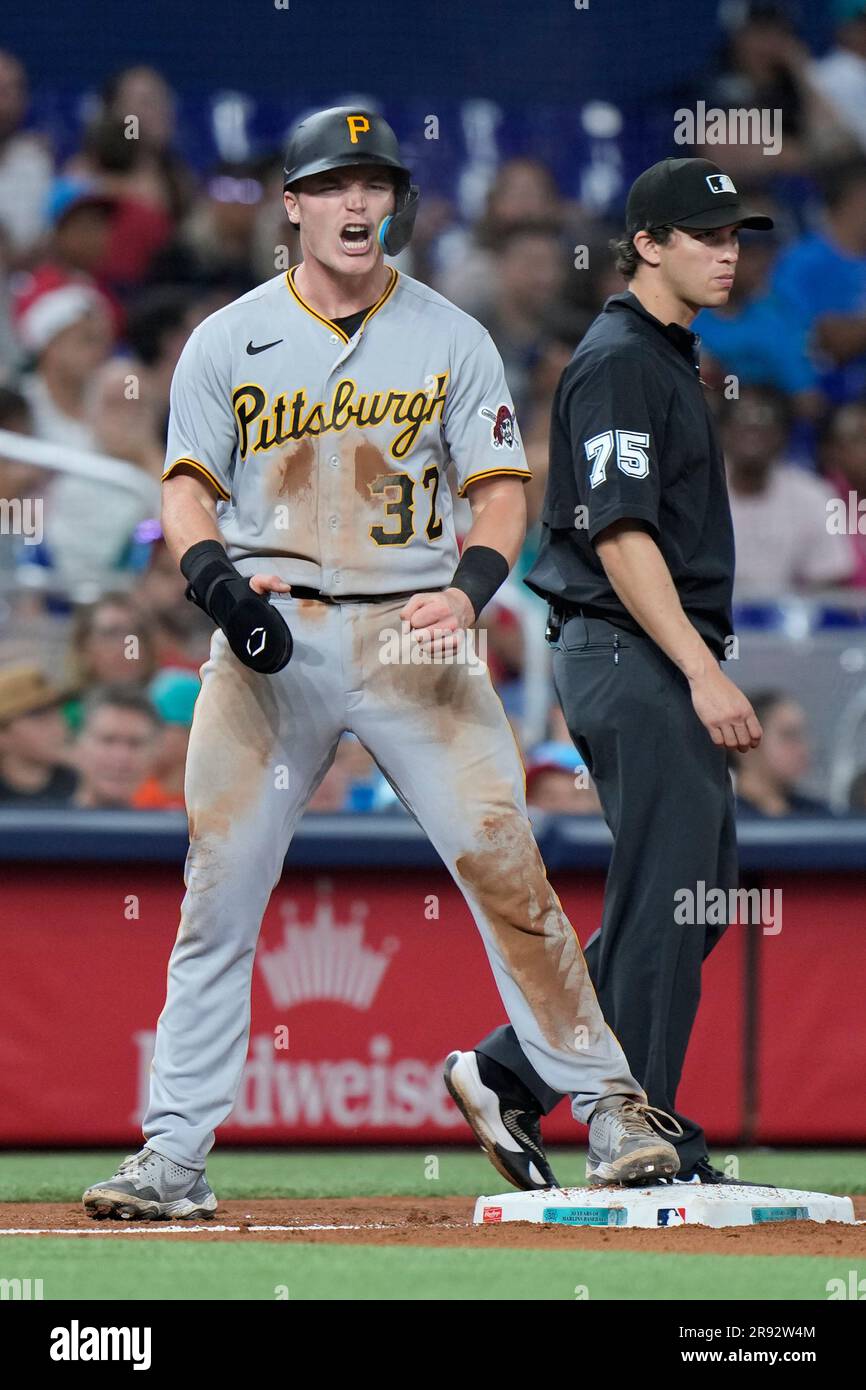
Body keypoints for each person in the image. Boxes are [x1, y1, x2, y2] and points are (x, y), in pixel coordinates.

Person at [82, 107, 681, 1222]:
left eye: (375, 184)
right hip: (273, 632)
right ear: (293, 204)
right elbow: (184, 487)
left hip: (416, 631)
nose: (358, 204)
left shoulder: (450, 334)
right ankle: (172, 1157)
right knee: (218, 899)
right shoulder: (228, 336)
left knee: (511, 876)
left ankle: (609, 1111)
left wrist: (466, 590)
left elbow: (502, 489)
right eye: (334, 184)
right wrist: (214, 583)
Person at [446, 158, 772, 1189]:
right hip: (631, 650)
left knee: (687, 896)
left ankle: (506, 1071)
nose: (725, 252)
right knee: (669, 893)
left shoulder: (660, 354)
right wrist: (700, 672)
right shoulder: (622, 358)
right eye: (703, 235)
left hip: (642, 650)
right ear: (645, 242)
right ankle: (639, 1128)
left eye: (733, 237)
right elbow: (622, 533)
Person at [722, 385, 855, 597]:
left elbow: (831, 578)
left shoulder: (814, 494)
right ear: (723, 431)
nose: (752, 434)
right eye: (743, 423)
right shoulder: (697, 492)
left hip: (792, 622)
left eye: (763, 425)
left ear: (782, 434)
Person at [734, 691, 830, 817]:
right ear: (747, 743)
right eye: (789, 735)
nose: (804, 749)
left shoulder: (819, 817)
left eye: (803, 736)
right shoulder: (724, 821)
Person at [71, 686, 160, 809]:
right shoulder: (44, 824)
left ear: (155, 754)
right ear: (77, 747)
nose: (121, 756)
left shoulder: (178, 825)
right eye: (108, 740)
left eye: (135, 744)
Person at [0, 666, 78, 805]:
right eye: (40, 717)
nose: (58, 727)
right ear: (3, 734)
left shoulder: (83, 788)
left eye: (59, 713)